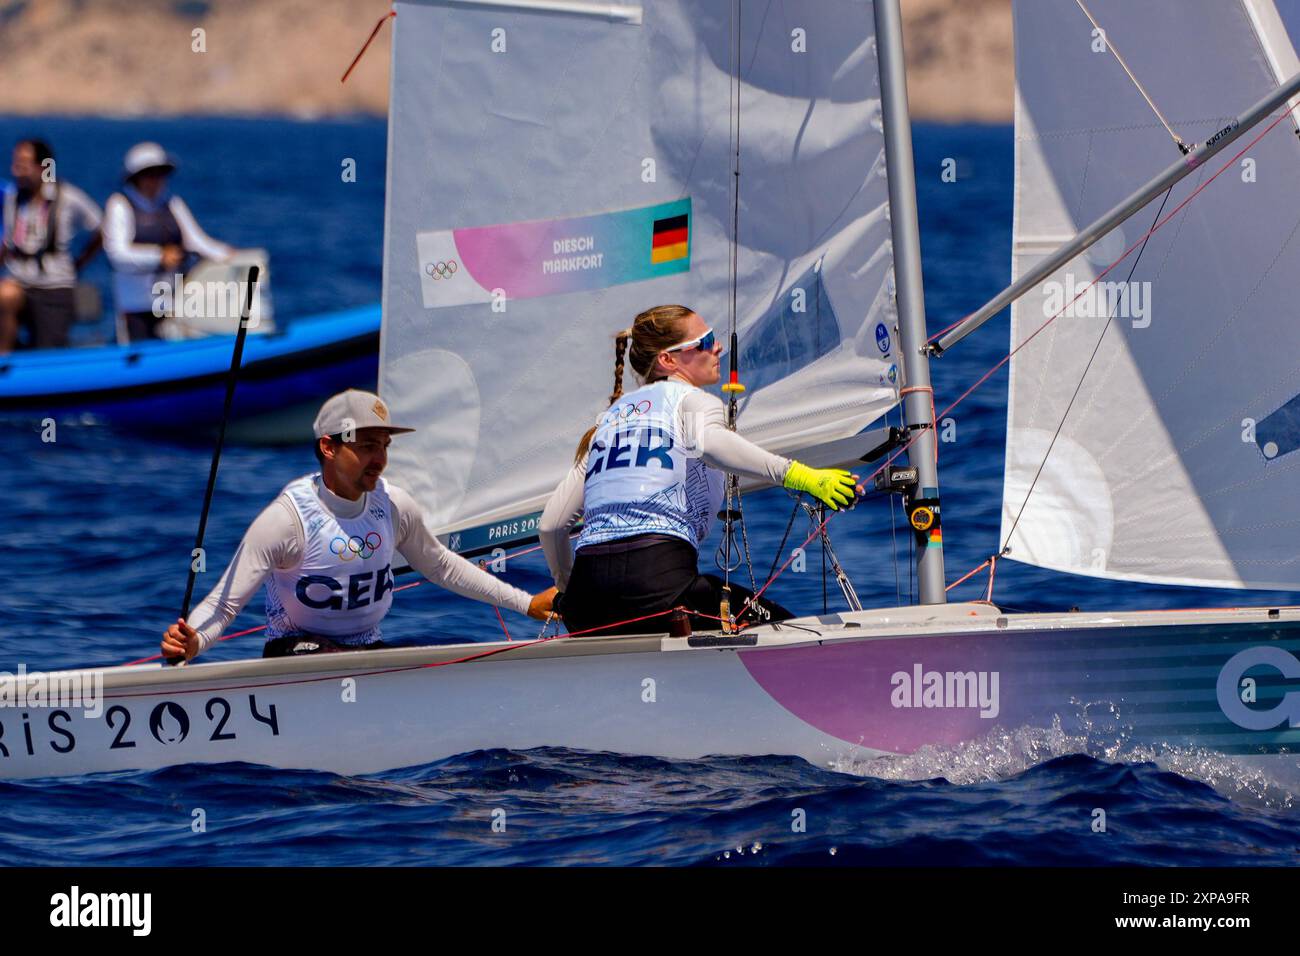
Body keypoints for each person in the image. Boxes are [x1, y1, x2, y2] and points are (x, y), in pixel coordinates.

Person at [161, 389, 557, 662]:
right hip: (294, 655)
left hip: (366, 653)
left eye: (384, 445)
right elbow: (225, 602)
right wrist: (193, 642)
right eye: (367, 446)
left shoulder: (394, 505)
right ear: (329, 447)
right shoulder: (286, 520)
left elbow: (442, 566)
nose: (380, 459)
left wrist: (526, 603)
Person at [539, 304, 861, 636]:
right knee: (789, 631)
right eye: (704, 342)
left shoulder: (605, 422)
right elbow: (709, 443)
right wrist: (800, 476)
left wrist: (568, 590)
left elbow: (551, 525)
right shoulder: (690, 401)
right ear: (668, 360)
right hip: (661, 592)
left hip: (585, 607)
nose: (717, 346)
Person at [103, 141, 233, 342]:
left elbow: (197, 241)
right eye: (149, 174)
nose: (155, 180)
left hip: (170, 302)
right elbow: (117, 254)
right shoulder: (119, 206)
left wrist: (228, 254)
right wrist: (158, 256)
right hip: (135, 305)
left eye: (160, 173)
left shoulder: (172, 204)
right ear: (135, 178)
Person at [0, 138, 103, 352]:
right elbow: (8, 243)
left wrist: (80, 262)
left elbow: (101, 229)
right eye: (15, 164)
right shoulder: (12, 198)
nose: (16, 171)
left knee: (47, 348)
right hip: (20, 282)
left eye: (23, 164)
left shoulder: (68, 197)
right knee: (5, 295)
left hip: (54, 286)